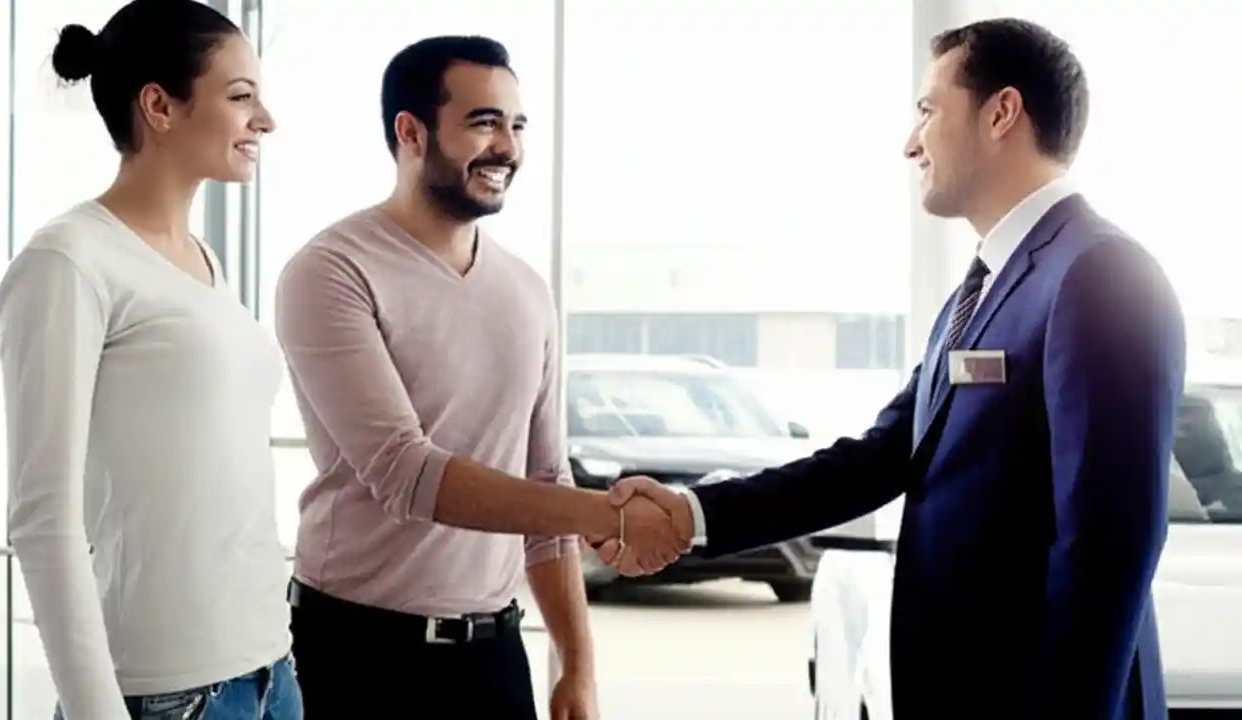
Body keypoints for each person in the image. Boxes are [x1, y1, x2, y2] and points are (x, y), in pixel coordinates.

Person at [601, 18, 1185, 720]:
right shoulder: (987, 288)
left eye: (928, 111)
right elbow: (880, 460)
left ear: (1002, 112)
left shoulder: (1098, 272)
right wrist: (694, 513)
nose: (912, 143)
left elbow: (1109, 547)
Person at [273, 35, 683, 718]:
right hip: (355, 653)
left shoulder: (526, 291)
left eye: (517, 125)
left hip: (493, 657)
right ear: (411, 132)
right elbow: (405, 472)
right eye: (484, 122)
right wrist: (605, 515)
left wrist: (577, 666)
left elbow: (544, 481)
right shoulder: (331, 271)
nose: (509, 148)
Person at [0, 1, 299, 718]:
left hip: (270, 672)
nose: (265, 120)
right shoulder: (67, 260)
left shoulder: (205, 262)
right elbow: (42, 517)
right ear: (159, 105)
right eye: (240, 96)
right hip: (163, 692)